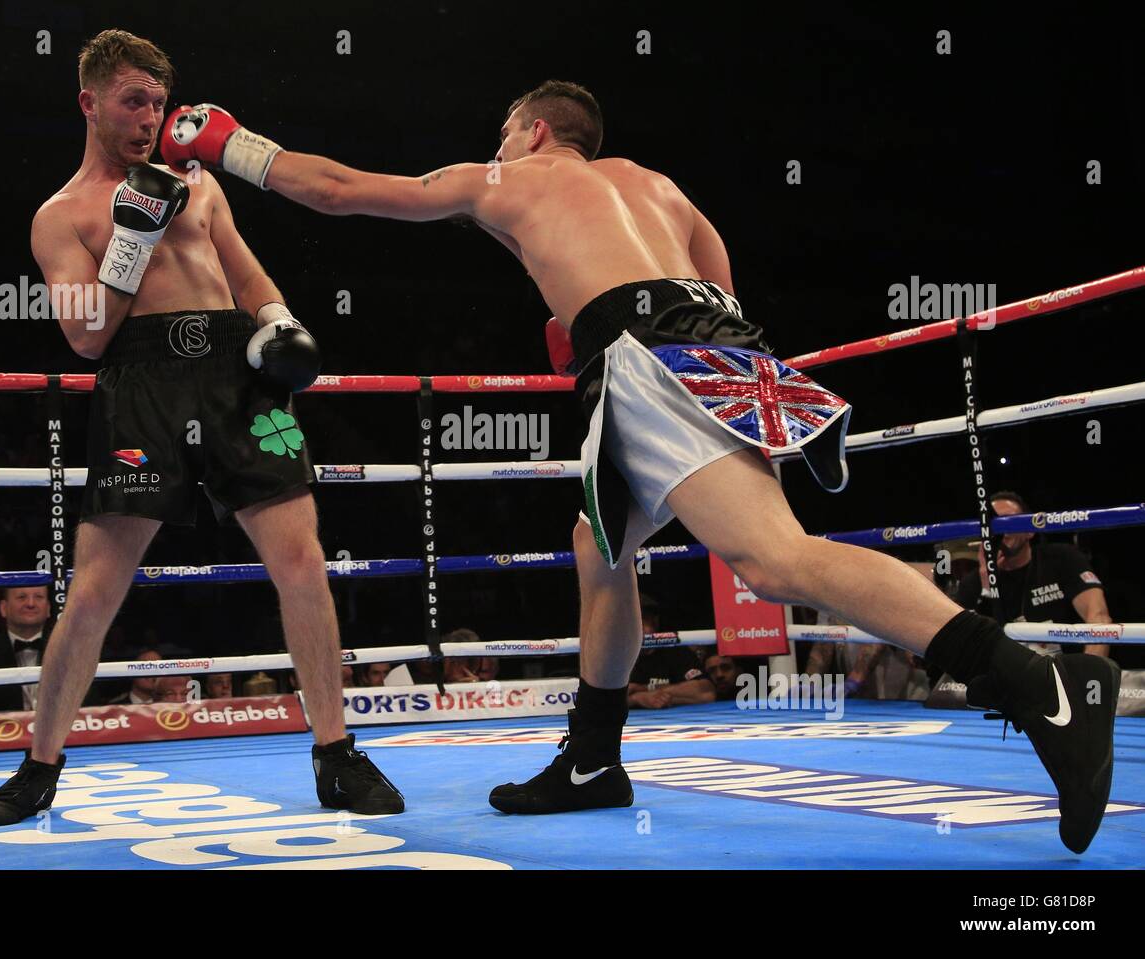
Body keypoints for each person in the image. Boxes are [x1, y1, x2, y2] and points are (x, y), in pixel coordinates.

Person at [163, 81, 1120, 852]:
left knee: (775, 560)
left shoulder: (512, 181)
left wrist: (229, 145)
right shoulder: (661, 187)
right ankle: (592, 758)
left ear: (537, 131)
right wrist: (607, 330)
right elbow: (720, 282)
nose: (495, 147)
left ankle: (1037, 682)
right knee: (600, 547)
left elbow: (337, 187)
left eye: (504, 131)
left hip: (646, 355)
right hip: (720, 351)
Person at [0, 30, 401, 828]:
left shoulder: (198, 183)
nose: (150, 117)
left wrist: (276, 319)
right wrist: (131, 237)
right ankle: (38, 767)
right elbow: (86, 335)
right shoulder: (60, 215)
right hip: (140, 381)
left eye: (159, 102)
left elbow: (242, 270)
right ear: (88, 103)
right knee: (96, 588)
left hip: (236, 374)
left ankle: (337, 754)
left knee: (303, 561)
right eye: (133, 100)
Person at [957, 491, 1114, 659]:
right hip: (1007, 677)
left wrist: (1087, 674)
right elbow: (968, 648)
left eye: (1009, 521)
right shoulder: (973, 583)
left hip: (1066, 671)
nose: (1002, 530)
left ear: (1030, 531)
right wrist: (987, 587)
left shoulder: (1062, 559)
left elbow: (1098, 617)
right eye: (995, 524)